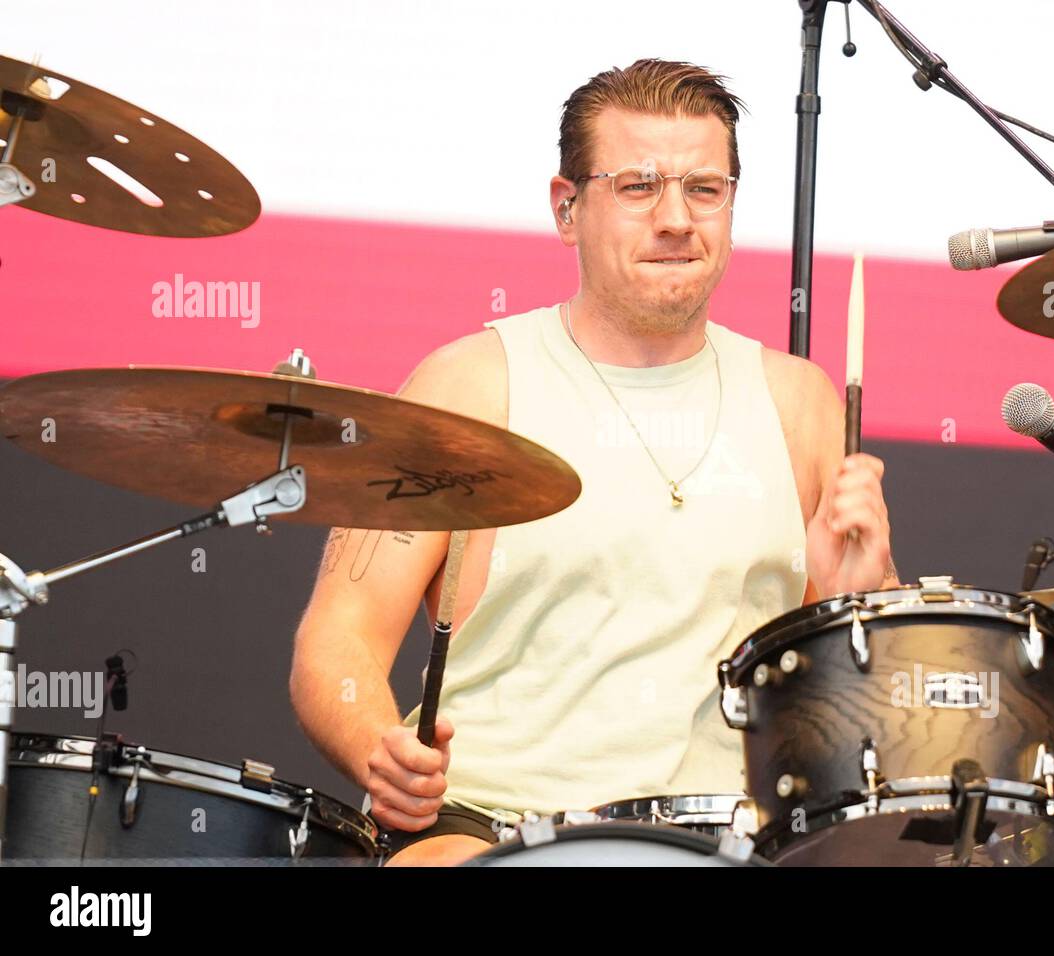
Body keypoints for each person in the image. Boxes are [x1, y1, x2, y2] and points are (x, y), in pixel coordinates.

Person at [290, 58, 897, 866]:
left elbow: (876, 711)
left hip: (736, 839)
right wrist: (378, 746)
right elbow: (338, 637)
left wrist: (866, 606)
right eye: (638, 187)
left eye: (705, 189)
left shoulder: (800, 402)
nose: (677, 218)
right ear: (567, 208)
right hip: (490, 827)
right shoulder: (469, 386)